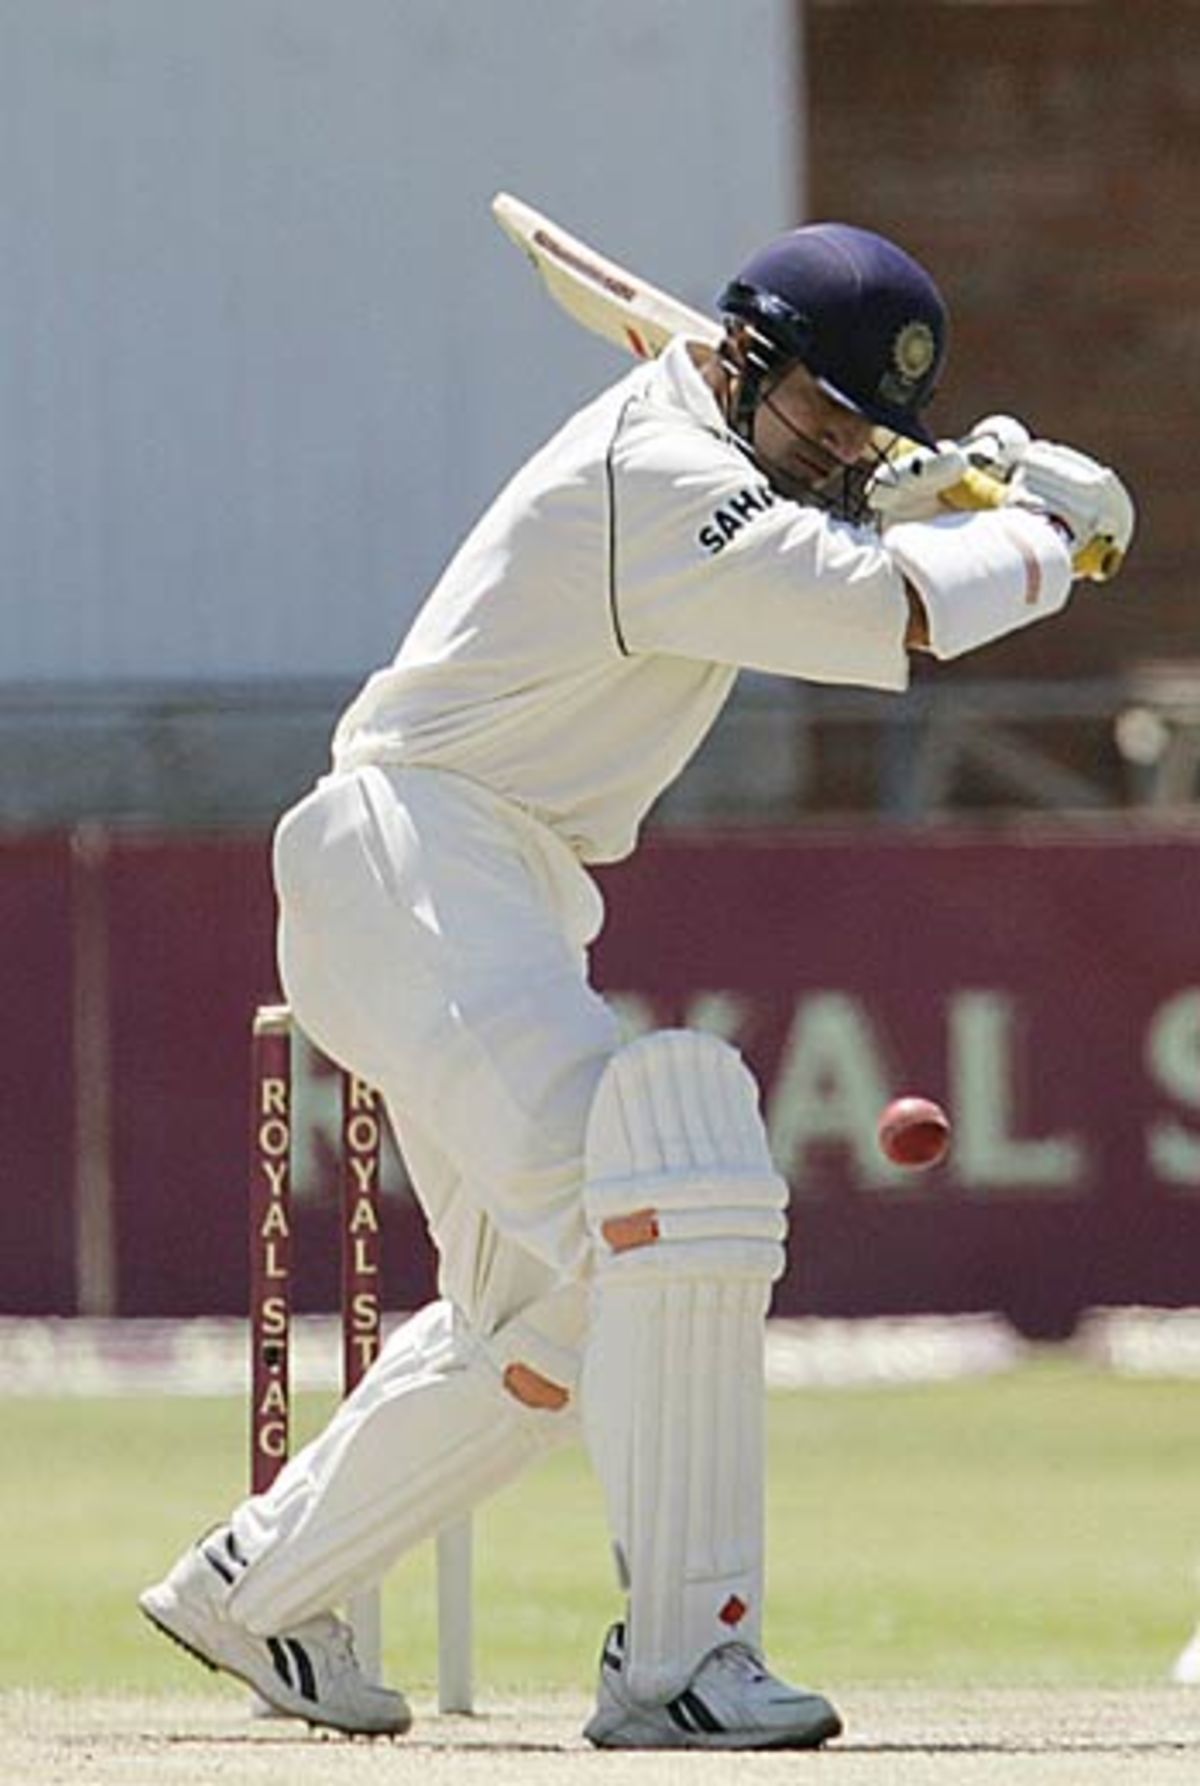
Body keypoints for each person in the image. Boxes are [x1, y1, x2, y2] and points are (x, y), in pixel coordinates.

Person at [139, 220, 1133, 1749]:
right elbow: (887, 612)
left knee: (534, 1323)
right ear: (744, 356)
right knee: (676, 1176)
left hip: (492, 883)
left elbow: (835, 530)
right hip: (421, 854)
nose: (838, 452)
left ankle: (259, 1586)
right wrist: (1045, 540)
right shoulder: (659, 480)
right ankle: (683, 1659)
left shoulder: (726, 450)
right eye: (824, 415)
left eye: (866, 432)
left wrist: (896, 484)